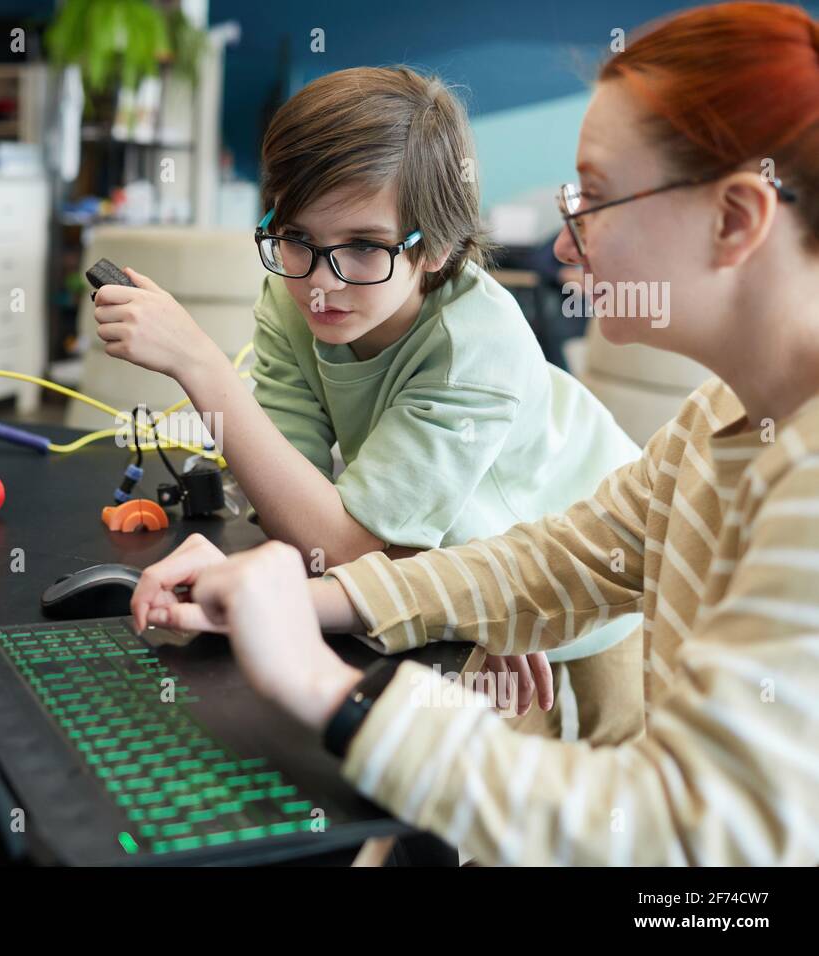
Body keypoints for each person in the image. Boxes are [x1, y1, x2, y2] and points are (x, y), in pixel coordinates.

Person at [129, 1, 819, 864]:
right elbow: (547, 563)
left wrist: (324, 688)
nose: (565, 251)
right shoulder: (710, 423)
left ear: (735, 220)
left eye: (596, 201)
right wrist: (278, 598)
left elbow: (680, 836)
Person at [93, 65, 642, 738]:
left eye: (362, 247)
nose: (321, 284)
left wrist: (197, 362)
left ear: (437, 246)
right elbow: (291, 497)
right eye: (295, 237)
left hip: (580, 593)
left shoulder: (473, 344)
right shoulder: (295, 294)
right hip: (439, 578)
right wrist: (258, 568)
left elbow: (344, 546)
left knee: (570, 809)